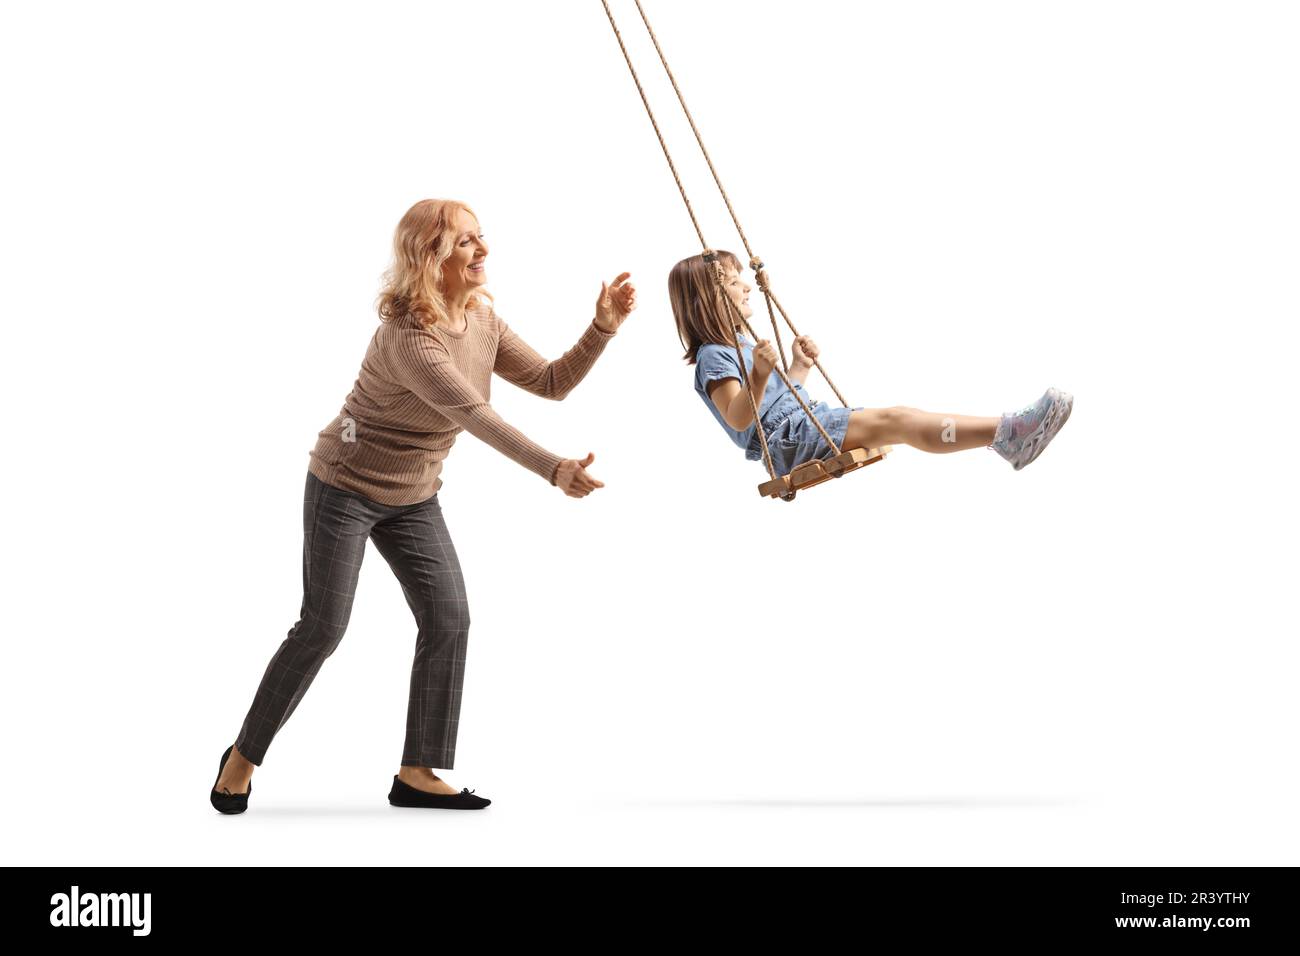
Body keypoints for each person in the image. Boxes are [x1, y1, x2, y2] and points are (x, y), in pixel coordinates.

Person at [210, 198, 636, 813]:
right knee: (323, 628)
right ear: (429, 258)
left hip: (414, 494)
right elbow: (474, 414)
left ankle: (417, 770)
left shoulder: (481, 320)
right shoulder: (410, 338)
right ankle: (242, 757)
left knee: (448, 617)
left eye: (480, 237)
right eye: (465, 242)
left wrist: (601, 329)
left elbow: (550, 383)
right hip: (345, 486)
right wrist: (554, 470)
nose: (482, 250)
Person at [668, 250, 1072, 477]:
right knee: (896, 420)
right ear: (709, 296)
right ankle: (1007, 433)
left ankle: (1004, 437)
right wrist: (757, 375)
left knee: (902, 417)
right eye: (733, 281)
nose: (744, 286)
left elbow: (776, 402)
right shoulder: (713, 355)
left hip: (803, 423)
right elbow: (740, 419)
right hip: (787, 441)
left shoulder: (740, 344)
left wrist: (798, 368)